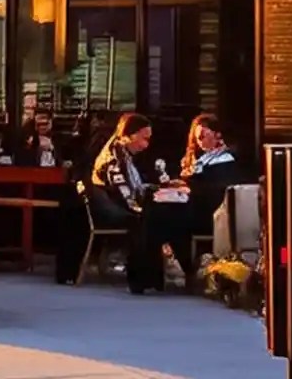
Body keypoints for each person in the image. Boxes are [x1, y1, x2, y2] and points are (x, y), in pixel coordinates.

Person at [91, 113, 192, 293]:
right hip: (114, 210)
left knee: (164, 216)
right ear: (130, 135)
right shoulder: (114, 160)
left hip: (120, 206)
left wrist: (160, 187)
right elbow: (126, 195)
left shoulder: (124, 155)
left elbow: (135, 187)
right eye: (144, 138)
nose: (146, 144)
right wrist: (153, 197)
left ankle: (159, 274)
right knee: (159, 219)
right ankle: (163, 272)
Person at [178, 114, 240, 234]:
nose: (200, 141)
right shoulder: (204, 158)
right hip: (196, 210)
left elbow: (215, 194)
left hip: (211, 217)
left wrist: (189, 185)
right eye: (197, 138)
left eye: (203, 136)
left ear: (218, 134)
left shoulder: (225, 160)